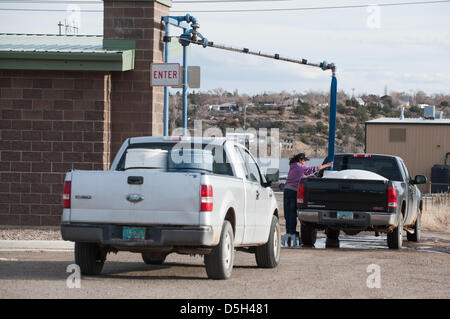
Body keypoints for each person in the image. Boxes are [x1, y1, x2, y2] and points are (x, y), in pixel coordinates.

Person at [282, 153, 333, 246]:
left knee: (287, 214)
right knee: (292, 214)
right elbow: (314, 169)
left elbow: (301, 176)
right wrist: (327, 165)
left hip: (286, 191)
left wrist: (309, 176)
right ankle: (292, 233)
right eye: (305, 161)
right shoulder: (300, 166)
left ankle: (289, 233)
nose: (305, 163)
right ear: (301, 160)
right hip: (294, 192)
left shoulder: (293, 166)